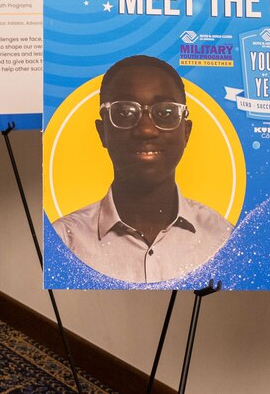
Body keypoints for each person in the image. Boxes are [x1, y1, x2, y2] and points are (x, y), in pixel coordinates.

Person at [50, 55, 233, 284]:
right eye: (125, 113)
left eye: (165, 113)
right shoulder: (65, 241)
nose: (146, 130)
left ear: (186, 132)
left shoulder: (222, 239)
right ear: (102, 132)